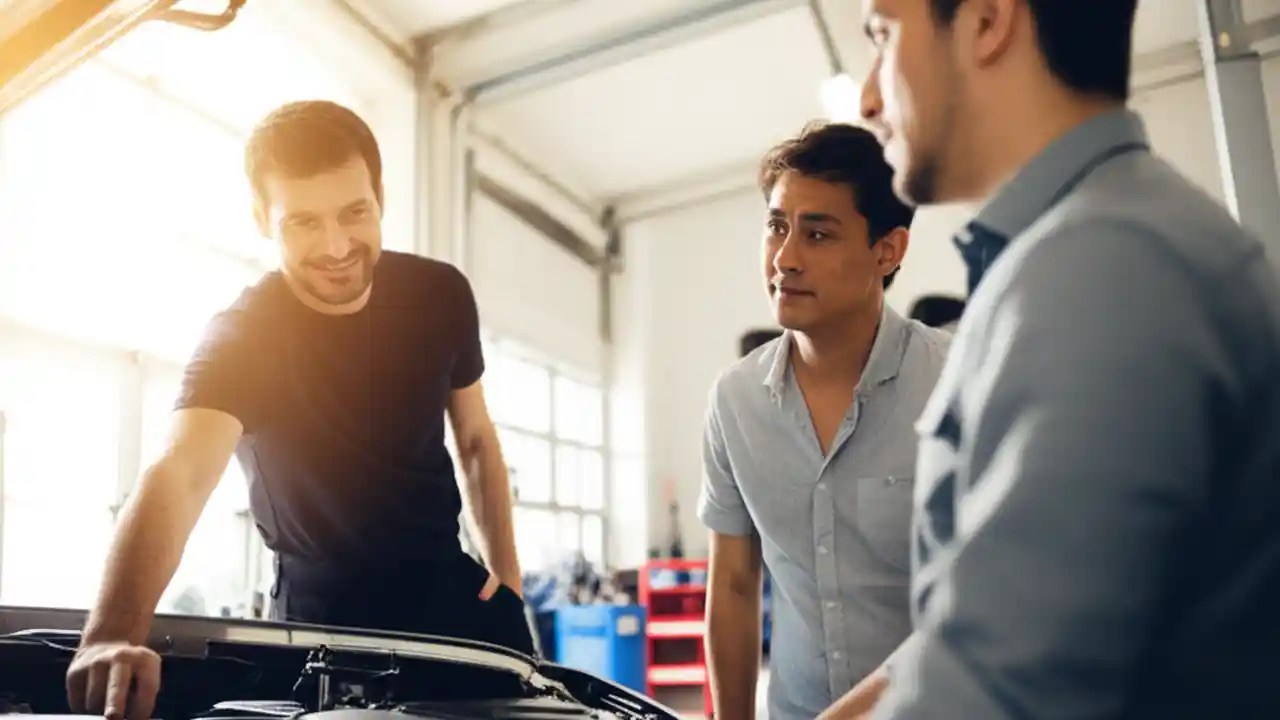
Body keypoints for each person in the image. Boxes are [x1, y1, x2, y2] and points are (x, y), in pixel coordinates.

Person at [828, 0, 1280, 718]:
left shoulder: (1105, 269)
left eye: (884, 37)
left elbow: (1005, 695)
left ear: (987, 20)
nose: (869, 98)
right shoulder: (1101, 245)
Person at [66, 100, 533, 720]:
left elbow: (474, 439)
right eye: (304, 222)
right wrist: (109, 634)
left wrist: (508, 582)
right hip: (321, 629)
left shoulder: (440, 293)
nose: (337, 246)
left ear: (380, 198)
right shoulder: (243, 337)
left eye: (354, 212)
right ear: (263, 218)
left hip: (456, 603)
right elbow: (181, 473)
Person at [699, 122, 950, 720]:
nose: (785, 258)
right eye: (776, 227)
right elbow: (733, 585)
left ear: (888, 250)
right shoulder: (735, 401)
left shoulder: (957, 384)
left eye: (817, 234)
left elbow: (981, 601)